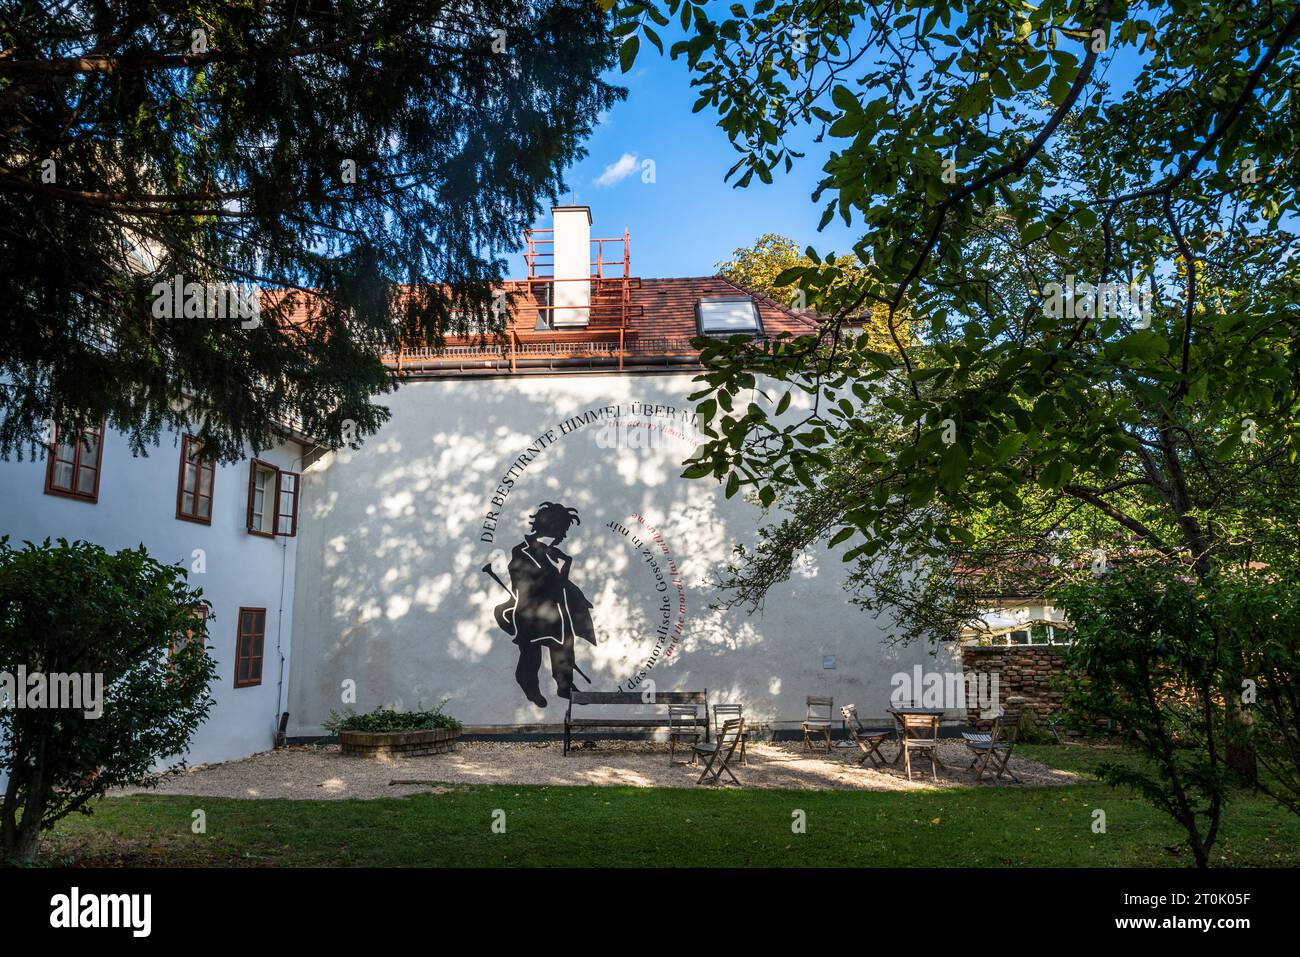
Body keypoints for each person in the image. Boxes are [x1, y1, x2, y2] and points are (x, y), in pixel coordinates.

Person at [492, 502, 597, 707]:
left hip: (553, 612)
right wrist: (561, 565)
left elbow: (559, 585)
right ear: (550, 526)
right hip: (529, 613)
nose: (563, 536)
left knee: (564, 648)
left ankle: (565, 687)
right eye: (561, 530)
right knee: (531, 655)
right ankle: (529, 686)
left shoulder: (549, 551)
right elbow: (532, 584)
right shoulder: (521, 551)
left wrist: (564, 564)